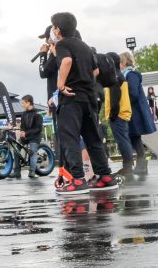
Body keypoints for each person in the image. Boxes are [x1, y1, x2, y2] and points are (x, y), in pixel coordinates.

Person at [50, 13, 116, 194]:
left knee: (69, 137)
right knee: (92, 138)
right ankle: (105, 176)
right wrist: (84, 81)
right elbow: (95, 70)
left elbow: (67, 61)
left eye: (53, 27)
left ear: (57, 29)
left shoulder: (63, 44)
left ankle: (78, 180)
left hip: (71, 99)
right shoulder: (85, 46)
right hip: (89, 99)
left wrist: (61, 84)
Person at [121, 52, 157, 176]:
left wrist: (123, 101)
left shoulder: (131, 75)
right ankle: (141, 165)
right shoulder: (128, 75)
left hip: (134, 111)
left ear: (125, 63)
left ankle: (142, 165)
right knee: (134, 138)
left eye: (120, 62)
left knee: (135, 137)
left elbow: (133, 93)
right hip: (132, 110)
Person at [105, 56, 134, 177]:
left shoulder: (115, 77)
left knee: (122, 141)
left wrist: (112, 115)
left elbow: (115, 98)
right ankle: (127, 166)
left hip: (118, 115)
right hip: (121, 114)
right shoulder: (119, 76)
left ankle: (127, 167)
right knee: (124, 140)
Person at [15, 95, 43, 179]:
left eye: (23, 103)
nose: (22, 105)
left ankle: (32, 171)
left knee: (33, 151)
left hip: (35, 137)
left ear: (28, 102)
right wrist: (22, 131)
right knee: (16, 149)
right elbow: (23, 126)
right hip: (25, 136)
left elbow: (38, 129)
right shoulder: (23, 114)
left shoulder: (37, 114)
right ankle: (16, 171)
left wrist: (26, 134)